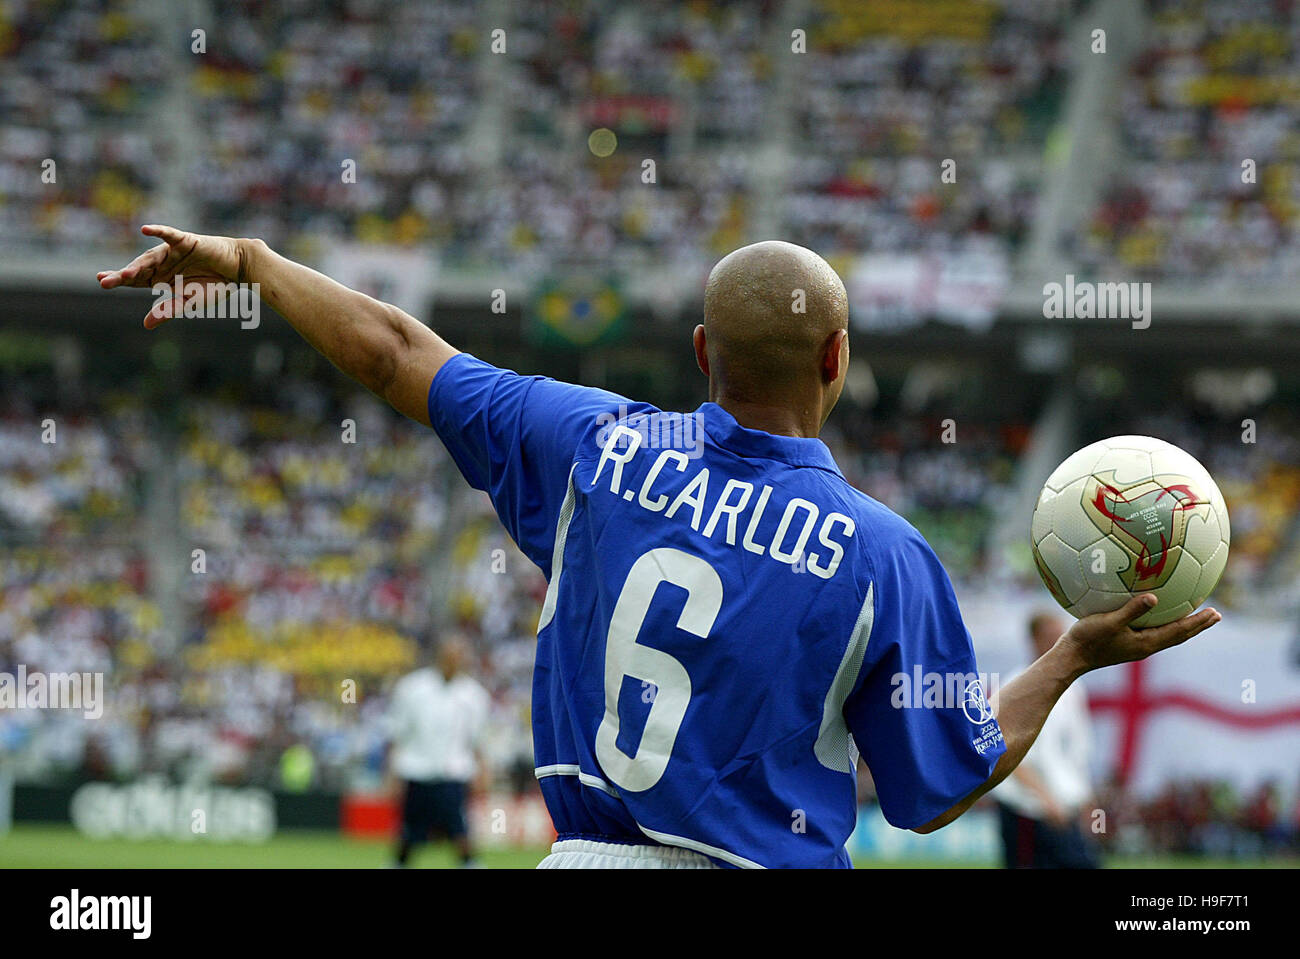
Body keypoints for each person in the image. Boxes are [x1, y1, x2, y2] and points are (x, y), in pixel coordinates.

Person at [99, 227, 1221, 868]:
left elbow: (394, 348)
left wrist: (252, 261)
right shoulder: (884, 555)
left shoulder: (590, 442)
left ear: (699, 349)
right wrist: (1068, 655)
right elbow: (939, 781)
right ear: (837, 359)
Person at [994, 611, 1100, 868]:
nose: (1059, 643)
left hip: (1064, 806)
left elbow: (1077, 751)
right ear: (1034, 641)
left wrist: (1085, 799)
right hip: (1028, 810)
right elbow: (1007, 752)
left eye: (1061, 636)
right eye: (1051, 637)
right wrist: (1046, 801)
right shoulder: (1013, 688)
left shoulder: (1073, 689)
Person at [385, 636, 489, 868]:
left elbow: (477, 741)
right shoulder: (412, 688)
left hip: (454, 773)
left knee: (459, 830)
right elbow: (397, 735)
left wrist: (482, 771)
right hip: (417, 770)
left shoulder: (474, 695)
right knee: (409, 831)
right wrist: (391, 773)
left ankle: (470, 863)